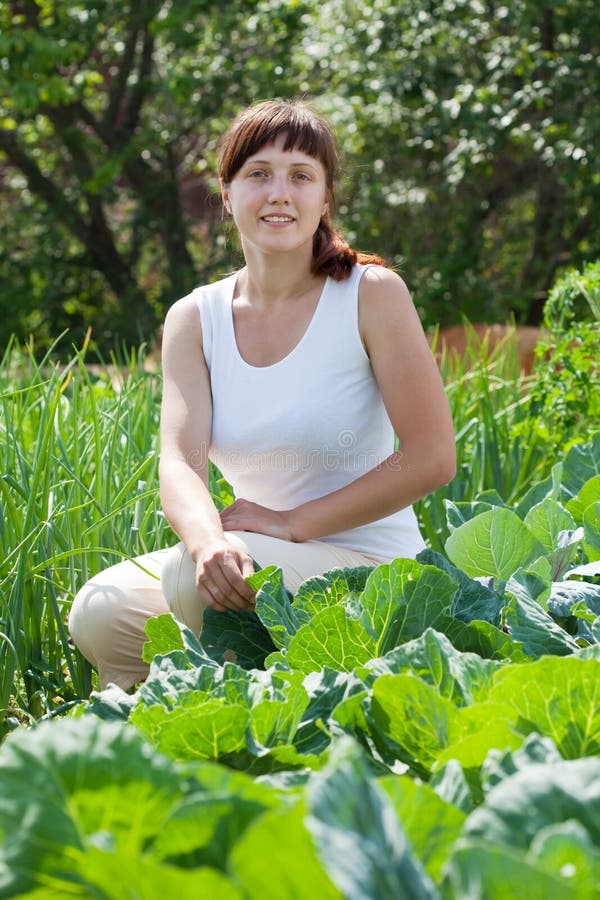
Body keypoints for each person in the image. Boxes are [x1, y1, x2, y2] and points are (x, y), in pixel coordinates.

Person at [68, 99, 456, 691]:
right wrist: (205, 543)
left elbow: (432, 456)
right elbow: (179, 461)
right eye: (259, 174)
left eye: (301, 176)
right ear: (226, 194)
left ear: (325, 198)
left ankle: (269, 732)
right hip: (259, 554)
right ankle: (158, 735)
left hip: (373, 572)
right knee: (101, 610)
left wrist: (293, 522)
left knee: (191, 586)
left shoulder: (370, 294)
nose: (280, 193)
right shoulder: (194, 318)